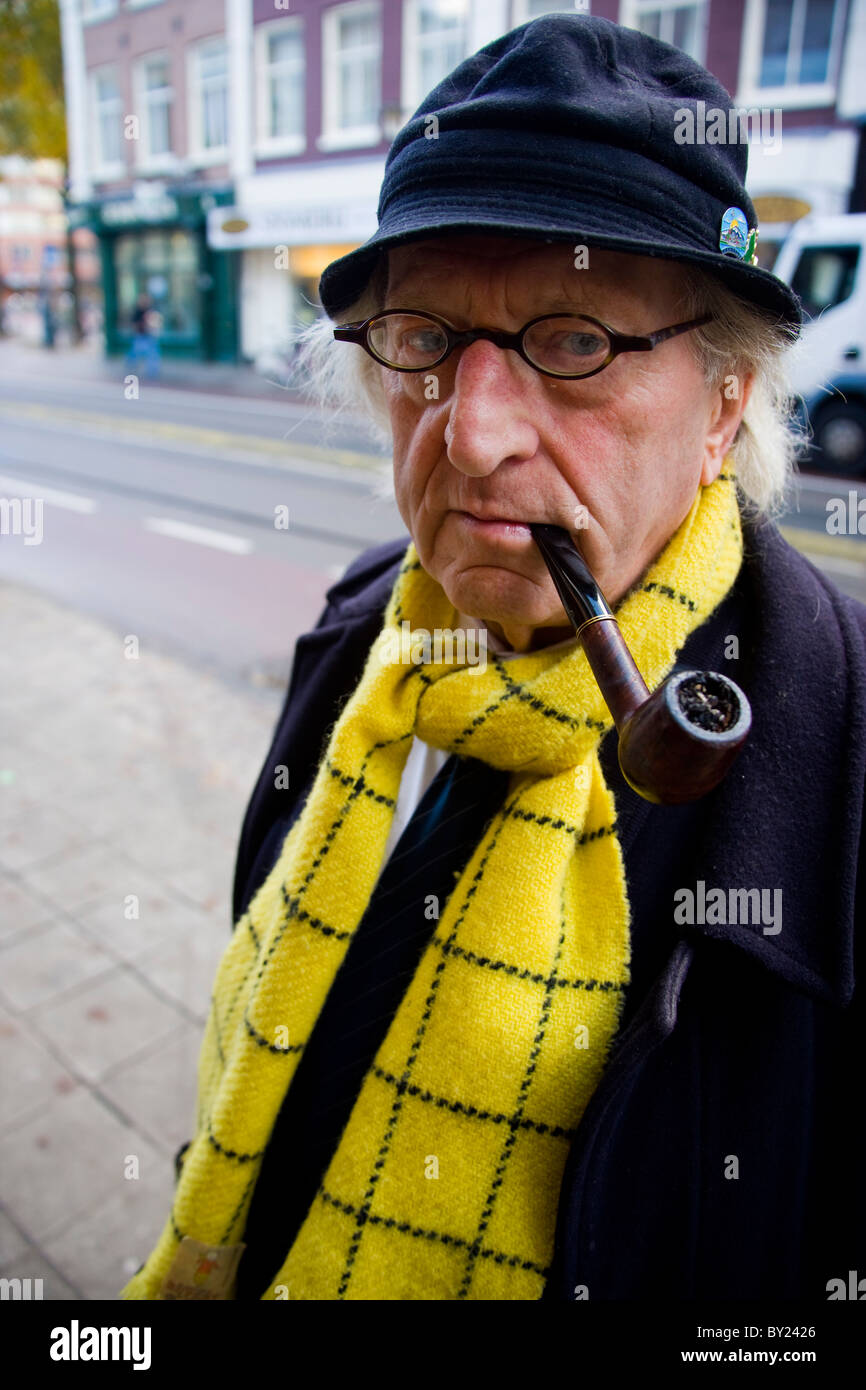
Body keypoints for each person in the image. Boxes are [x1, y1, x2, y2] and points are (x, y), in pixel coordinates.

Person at [120, 13, 865, 1303]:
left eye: (573, 341)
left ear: (723, 403)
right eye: (422, 340)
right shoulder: (366, 627)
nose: (468, 438)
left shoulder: (842, 739)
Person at [125, 290, 161, 379]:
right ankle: (130, 364)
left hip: (149, 335)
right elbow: (134, 324)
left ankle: (152, 371)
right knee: (135, 352)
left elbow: (155, 321)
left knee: (152, 354)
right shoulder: (137, 311)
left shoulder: (151, 310)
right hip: (140, 336)